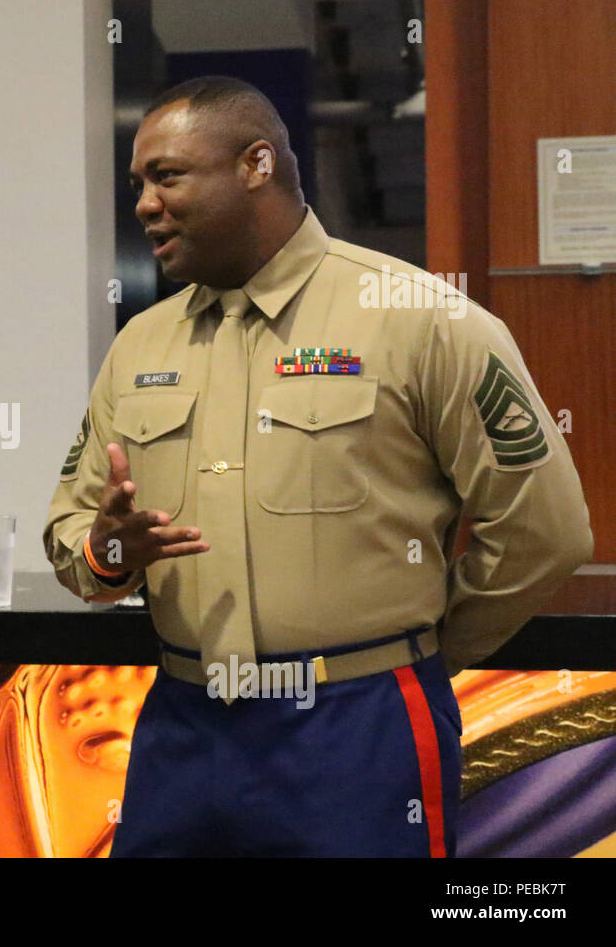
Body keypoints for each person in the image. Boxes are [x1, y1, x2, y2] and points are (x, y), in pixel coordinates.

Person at [45, 77, 592, 857]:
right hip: (183, 727)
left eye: (166, 176)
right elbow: (71, 527)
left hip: (357, 728)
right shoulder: (142, 345)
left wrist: (422, 654)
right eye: (138, 183)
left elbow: (547, 530)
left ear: (256, 165)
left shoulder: (421, 319)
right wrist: (108, 554)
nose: (143, 204)